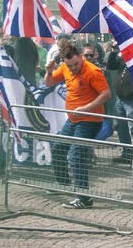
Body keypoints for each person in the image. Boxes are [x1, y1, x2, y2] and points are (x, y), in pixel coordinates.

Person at [43, 41, 111, 209]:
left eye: (76, 64)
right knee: (58, 148)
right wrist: (48, 71)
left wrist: (86, 109)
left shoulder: (92, 71)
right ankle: (63, 183)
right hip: (73, 119)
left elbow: (106, 94)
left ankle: (84, 198)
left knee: (76, 155)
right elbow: (49, 83)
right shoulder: (65, 68)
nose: (73, 68)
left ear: (81, 57)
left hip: (89, 120)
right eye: (70, 65)